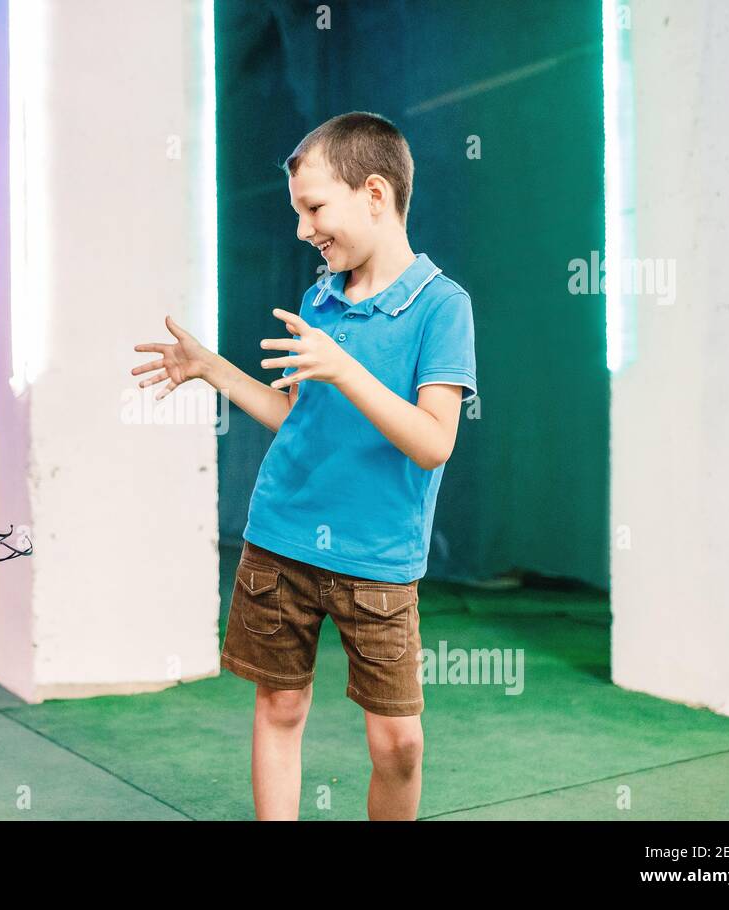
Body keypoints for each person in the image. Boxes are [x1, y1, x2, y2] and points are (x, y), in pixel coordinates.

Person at [131, 112, 477, 820]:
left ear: (375, 194)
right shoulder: (320, 296)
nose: (303, 229)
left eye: (313, 208)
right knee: (281, 705)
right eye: (297, 212)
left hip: (379, 561)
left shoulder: (443, 307)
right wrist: (211, 369)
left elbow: (434, 441)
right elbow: (298, 416)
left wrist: (346, 369)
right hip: (281, 538)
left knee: (399, 745)